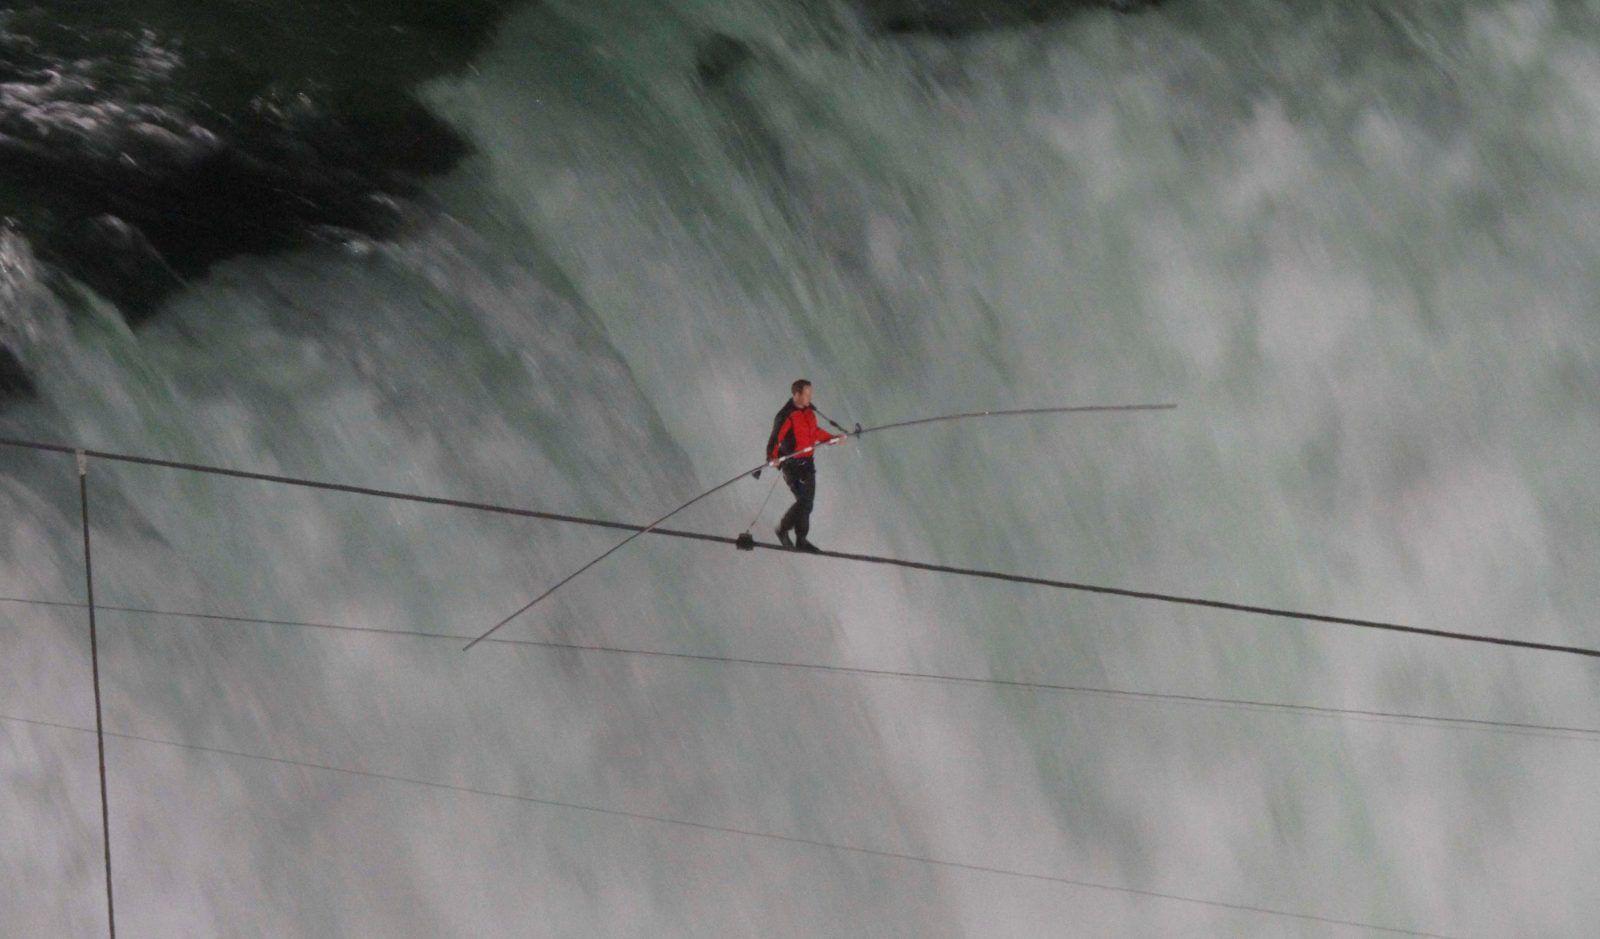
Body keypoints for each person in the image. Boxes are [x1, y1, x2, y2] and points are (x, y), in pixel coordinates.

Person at [763, 378, 846, 552]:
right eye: (807, 393)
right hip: (792, 466)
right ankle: (783, 529)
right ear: (797, 394)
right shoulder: (786, 415)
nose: (810, 396)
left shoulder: (809, 412)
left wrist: (833, 439)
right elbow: (774, 440)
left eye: (810, 393)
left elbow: (815, 432)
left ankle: (801, 540)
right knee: (804, 502)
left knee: (807, 504)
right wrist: (772, 457)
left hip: (808, 464)